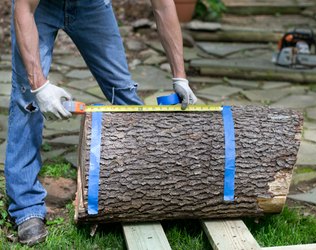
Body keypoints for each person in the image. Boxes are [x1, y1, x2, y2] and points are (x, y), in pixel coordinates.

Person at [6, 0, 197, 246]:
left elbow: (163, 6)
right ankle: (26, 208)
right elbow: (23, 7)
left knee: (124, 93)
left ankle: (146, 184)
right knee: (27, 99)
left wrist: (179, 76)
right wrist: (40, 86)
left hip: (92, 5)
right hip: (40, 6)